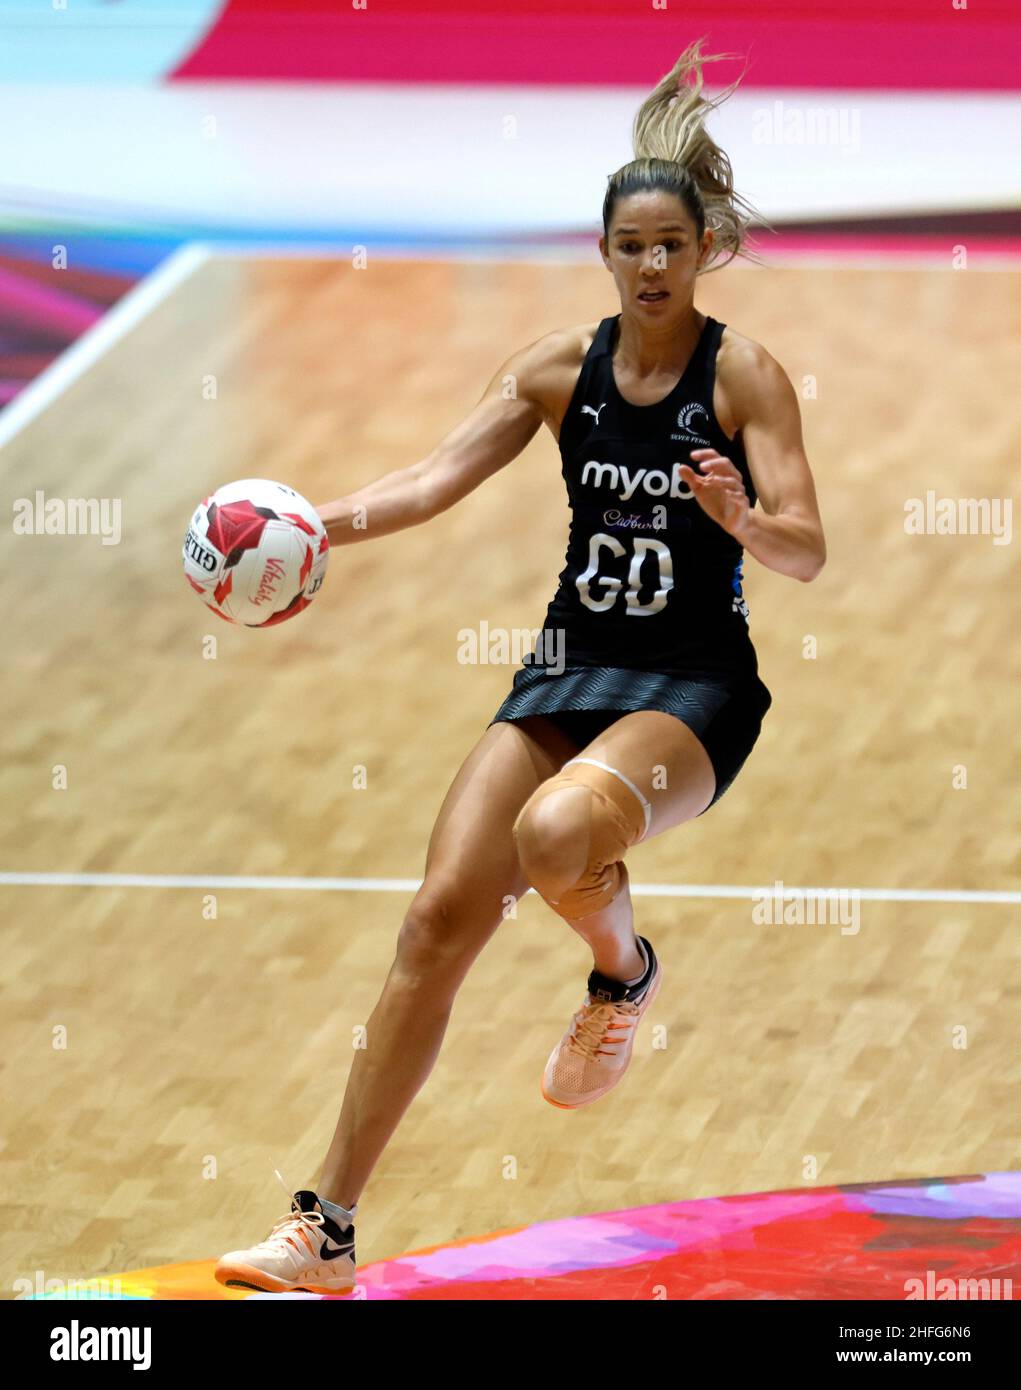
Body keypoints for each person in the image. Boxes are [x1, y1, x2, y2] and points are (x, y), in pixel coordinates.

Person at [215, 38, 825, 1295]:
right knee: (439, 918)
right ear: (602, 253)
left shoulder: (745, 376)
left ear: (703, 250)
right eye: (628, 246)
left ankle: (621, 974)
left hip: (693, 691)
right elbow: (434, 480)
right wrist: (319, 521)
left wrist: (742, 522)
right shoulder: (562, 367)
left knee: (557, 835)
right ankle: (321, 1229)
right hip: (565, 671)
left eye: (671, 245)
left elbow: (808, 549)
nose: (650, 265)